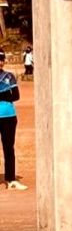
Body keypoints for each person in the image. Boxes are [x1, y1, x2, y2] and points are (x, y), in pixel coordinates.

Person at [0, 51, 26, 190]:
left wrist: (2, 95)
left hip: (9, 117)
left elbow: (15, 96)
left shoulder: (8, 77)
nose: (0, 62)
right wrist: (4, 94)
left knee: (9, 148)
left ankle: (11, 179)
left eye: (2, 59)